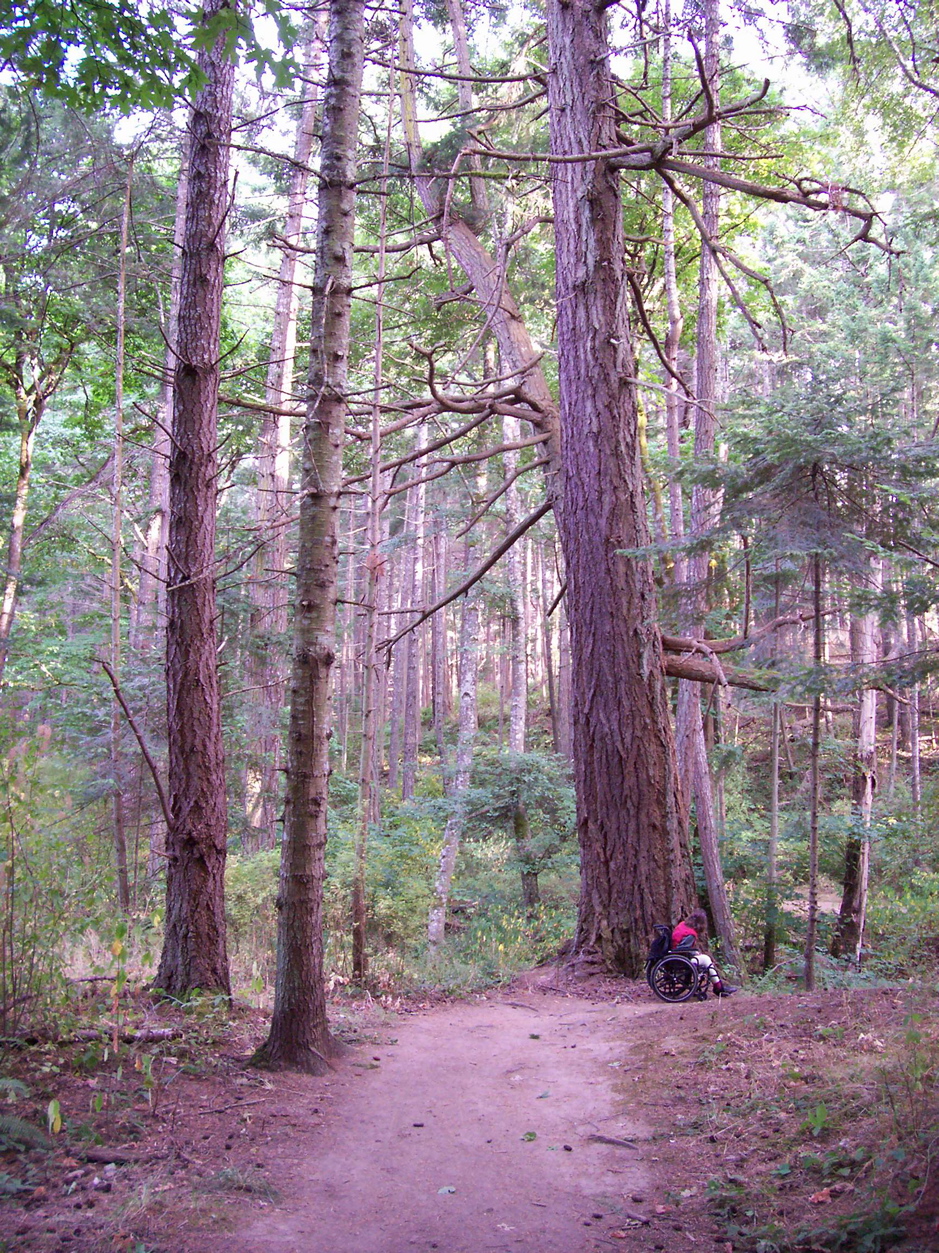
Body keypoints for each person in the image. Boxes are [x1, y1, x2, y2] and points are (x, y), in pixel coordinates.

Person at [671, 909, 737, 997]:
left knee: (706, 959)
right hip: (681, 959)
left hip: (676, 956)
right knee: (706, 960)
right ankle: (718, 987)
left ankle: (718, 986)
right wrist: (694, 953)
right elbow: (682, 949)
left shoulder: (683, 925)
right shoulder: (690, 934)